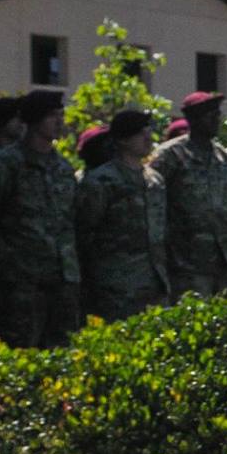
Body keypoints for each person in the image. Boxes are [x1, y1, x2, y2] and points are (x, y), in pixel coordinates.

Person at [0, 90, 81, 347]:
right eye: (51, 116)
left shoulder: (64, 168)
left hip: (63, 279)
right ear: (34, 121)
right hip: (20, 282)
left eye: (61, 115)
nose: (59, 122)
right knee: (21, 351)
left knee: (62, 352)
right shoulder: (5, 165)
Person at [75, 109, 169, 321]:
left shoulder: (155, 181)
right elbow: (84, 233)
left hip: (155, 284)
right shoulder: (102, 181)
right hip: (116, 287)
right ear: (123, 140)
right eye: (139, 133)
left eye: (148, 131)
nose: (147, 137)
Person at [149, 91, 227, 298]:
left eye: (217, 115)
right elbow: (152, 202)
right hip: (185, 264)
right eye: (210, 116)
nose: (216, 120)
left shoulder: (223, 158)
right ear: (194, 120)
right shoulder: (170, 156)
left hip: (222, 263)